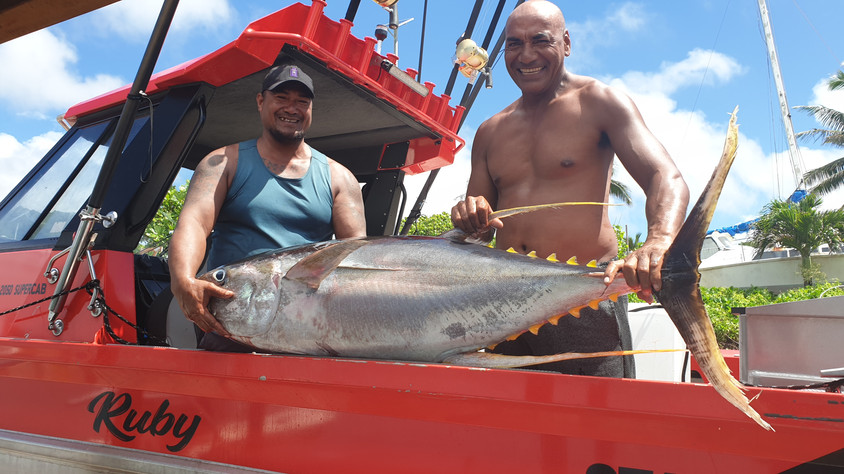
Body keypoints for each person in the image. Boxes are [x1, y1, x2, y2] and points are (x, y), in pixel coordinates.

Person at [450, 0, 689, 377]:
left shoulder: (599, 102)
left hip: (582, 297)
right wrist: (468, 214)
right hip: (505, 302)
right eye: (514, 44)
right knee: (508, 425)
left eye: (539, 40)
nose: (526, 55)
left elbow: (666, 176)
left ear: (566, 43)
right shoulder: (490, 131)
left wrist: (658, 241)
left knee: (597, 426)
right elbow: (478, 220)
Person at [169, 63, 367, 351]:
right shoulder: (223, 162)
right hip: (234, 326)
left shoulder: (340, 177)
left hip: (308, 330)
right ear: (261, 101)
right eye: (282, 98)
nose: (292, 108)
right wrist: (183, 280)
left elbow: (355, 256)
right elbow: (194, 224)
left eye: (302, 101)